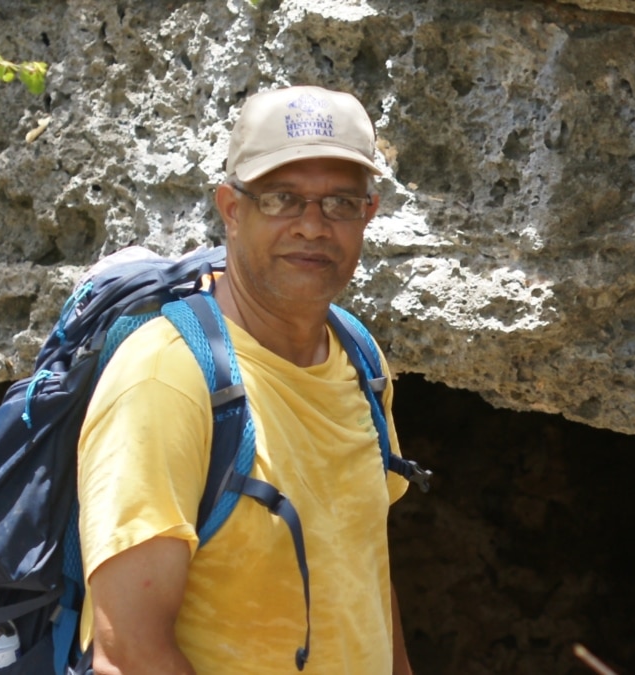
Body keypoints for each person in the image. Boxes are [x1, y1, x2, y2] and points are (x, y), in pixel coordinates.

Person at [76, 85, 414, 674]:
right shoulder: (168, 377)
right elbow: (127, 654)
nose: (312, 226)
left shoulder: (360, 359)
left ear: (369, 214)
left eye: (339, 203)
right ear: (231, 208)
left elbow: (366, 576)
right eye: (283, 199)